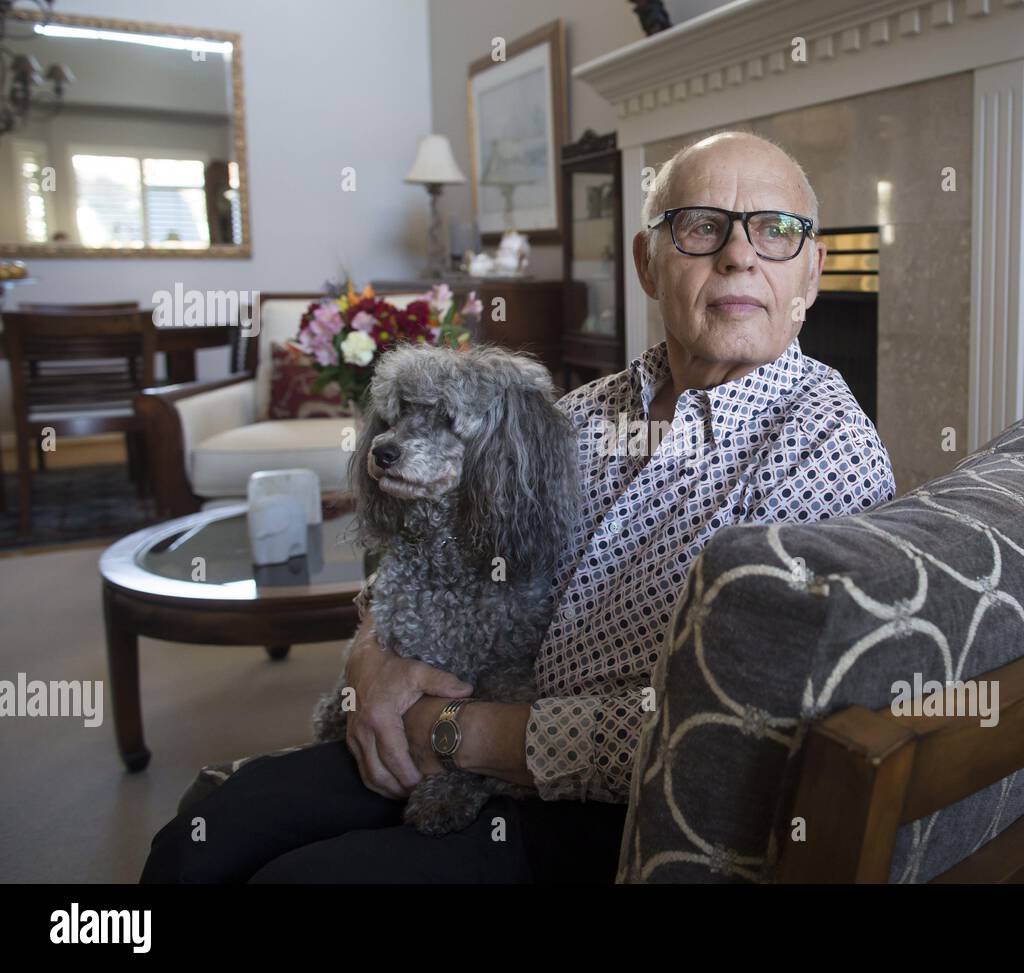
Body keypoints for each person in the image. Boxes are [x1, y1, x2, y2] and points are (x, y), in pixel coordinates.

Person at [140, 130, 896, 883]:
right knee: (201, 838)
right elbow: (434, 542)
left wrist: (455, 732)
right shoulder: (575, 411)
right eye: (701, 226)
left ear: (813, 271)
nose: (739, 255)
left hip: (613, 815)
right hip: (455, 734)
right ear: (646, 263)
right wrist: (372, 654)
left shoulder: (824, 451)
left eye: (776, 231)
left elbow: (734, 735)